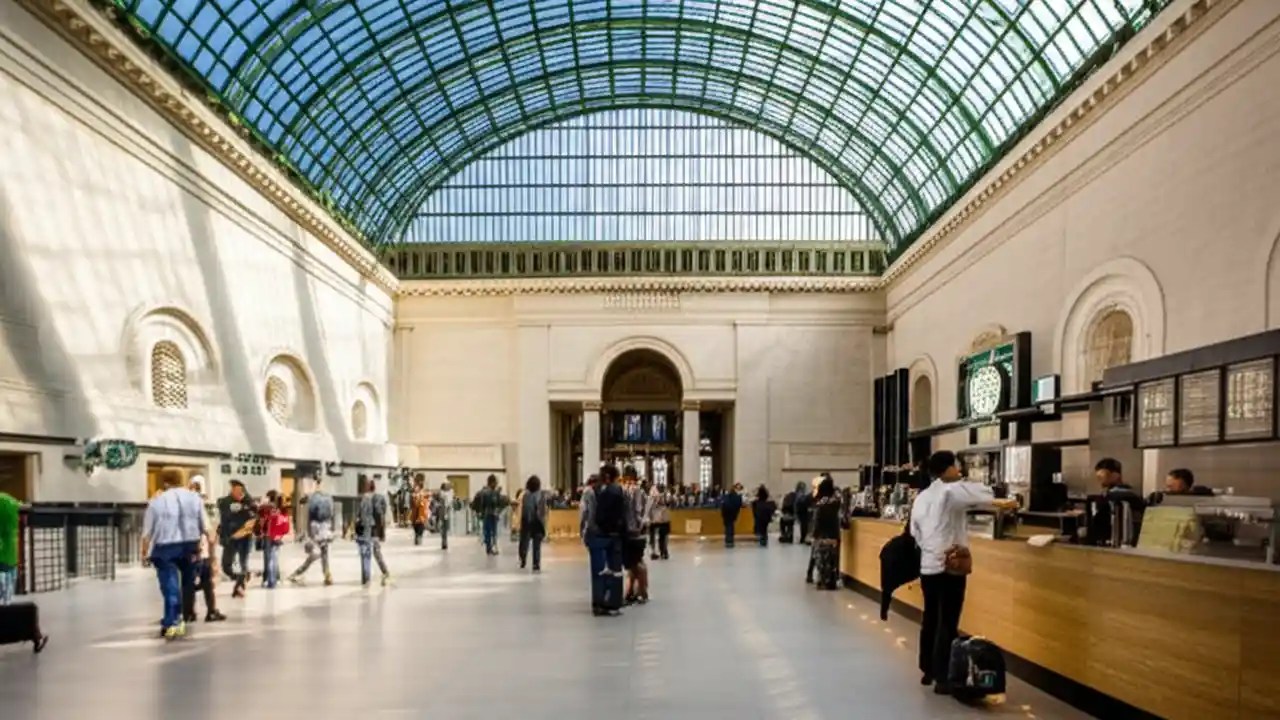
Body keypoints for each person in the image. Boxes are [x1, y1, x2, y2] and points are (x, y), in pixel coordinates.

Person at [910, 451, 996, 694]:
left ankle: (927, 668)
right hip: (950, 565)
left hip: (928, 565)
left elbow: (915, 530)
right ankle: (942, 676)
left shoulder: (922, 497)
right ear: (947, 469)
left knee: (930, 617)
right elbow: (987, 495)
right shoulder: (951, 491)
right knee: (948, 620)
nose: (959, 471)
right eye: (957, 467)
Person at [142, 467, 206, 640]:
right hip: (190, 546)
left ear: (164, 481)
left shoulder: (156, 501)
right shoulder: (195, 498)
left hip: (165, 547)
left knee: (170, 585)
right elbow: (205, 526)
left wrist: (144, 553)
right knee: (187, 584)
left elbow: (147, 531)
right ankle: (185, 615)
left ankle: (172, 622)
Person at [0, 490, 48, 652]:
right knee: (4, 605)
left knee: (4, 605)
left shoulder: (7, 503)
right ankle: (33, 633)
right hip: (5, 562)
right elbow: (25, 509)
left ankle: (34, 633)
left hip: (7, 560)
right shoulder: (8, 502)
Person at [582, 468, 627, 616]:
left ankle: (599, 602)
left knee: (598, 571)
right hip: (610, 535)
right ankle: (610, 601)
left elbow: (585, 514)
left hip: (596, 535)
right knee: (612, 570)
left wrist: (583, 532)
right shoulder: (615, 491)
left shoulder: (591, 491)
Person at [183, 477, 226, 623]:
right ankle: (211, 611)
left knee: (188, 581)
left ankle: (188, 612)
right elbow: (211, 528)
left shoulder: (185, 503)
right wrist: (213, 552)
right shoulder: (206, 505)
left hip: (189, 547)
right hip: (203, 548)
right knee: (207, 581)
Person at [289, 476, 335, 585]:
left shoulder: (312, 497)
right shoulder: (328, 497)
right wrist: (331, 529)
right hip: (325, 528)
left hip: (316, 528)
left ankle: (298, 573)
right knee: (323, 553)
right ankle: (327, 574)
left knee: (315, 554)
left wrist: (309, 532)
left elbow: (307, 511)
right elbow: (332, 514)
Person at [217, 480, 256, 598]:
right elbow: (225, 516)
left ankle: (240, 587)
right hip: (230, 537)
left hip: (245, 537)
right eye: (236, 490)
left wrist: (245, 502)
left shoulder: (248, 502)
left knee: (243, 563)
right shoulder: (224, 501)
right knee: (226, 565)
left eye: (241, 491)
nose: (238, 493)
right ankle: (241, 578)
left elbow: (254, 514)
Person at [355, 476, 391, 587]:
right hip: (374, 529)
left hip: (366, 529)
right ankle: (384, 572)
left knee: (365, 552)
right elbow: (382, 515)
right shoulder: (379, 498)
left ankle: (366, 577)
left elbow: (359, 516)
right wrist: (382, 532)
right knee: (375, 552)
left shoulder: (363, 499)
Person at [621, 467, 650, 605]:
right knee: (634, 563)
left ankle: (642, 591)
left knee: (635, 564)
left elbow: (636, 513)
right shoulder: (641, 492)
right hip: (639, 533)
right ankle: (632, 590)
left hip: (632, 533)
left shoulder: (630, 491)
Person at [809, 478, 843, 589]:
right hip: (834, 535)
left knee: (821, 559)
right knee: (833, 559)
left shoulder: (820, 503)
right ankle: (832, 580)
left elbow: (817, 520)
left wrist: (814, 534)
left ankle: (822, 580)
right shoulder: (835, 502)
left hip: (822, 535)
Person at [518, 475, 549, 572]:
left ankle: (523, 558)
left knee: (524, 542)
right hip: (538, 522)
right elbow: (543, 510)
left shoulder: (525, 495)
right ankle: (536, 563)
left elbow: (524, 509)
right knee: (537, 544)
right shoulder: (541, 495)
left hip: (527, 521)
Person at [260, 492, 290, 589]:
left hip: (268, 535)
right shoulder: (282, 508)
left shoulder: (266, 507)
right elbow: (286, 522)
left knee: (269, 558)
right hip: (278, 535)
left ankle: (270, 580)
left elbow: (261, 520)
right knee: (275, 557)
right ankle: (275, 578)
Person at [472, 475, 504, 555]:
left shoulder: (493, 492)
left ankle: (490, 547)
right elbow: (497, 504)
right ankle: (490, 547)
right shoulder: (488, 492)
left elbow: (498, 503)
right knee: (491, 532)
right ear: (491, 482)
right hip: (490, 514)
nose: (496, 483)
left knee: (490, 532)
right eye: (495, 482)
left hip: (490, 514)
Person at [648, 484, 672, 561]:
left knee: (659, 535)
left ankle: (659, 551)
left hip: (658, 518)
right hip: (661, 518)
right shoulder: (665, 494)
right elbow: (669, 502)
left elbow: (648, 507)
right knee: (662, 535)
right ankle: (662, 551)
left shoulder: (655, 494)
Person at [720, 483, 744, 547]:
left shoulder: (726, 496)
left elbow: (723, 505)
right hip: (733, 513)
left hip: (726, 513)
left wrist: (723, 513)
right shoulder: (738, 497)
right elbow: (739, 505)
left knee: (728, 526)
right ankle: (730, 540)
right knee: (731, 526)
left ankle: (728, 539)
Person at [435, 481, 454, 550]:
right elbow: (445, 504)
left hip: (445, 513)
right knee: (444, 528)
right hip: (443, 513)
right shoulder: (443, 494)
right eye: (447, 486)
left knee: (445, 529)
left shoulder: (448, 493)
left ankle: (444, 542)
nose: (448, 487)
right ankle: (444, 542)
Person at [411, 475, 430, 546]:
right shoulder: (415, 494)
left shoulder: (422, 493)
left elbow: (427, 498)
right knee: (416, 526)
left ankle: (418, 537)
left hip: (421, 514)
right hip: (416, 514)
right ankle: (417, 537)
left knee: (420, 526)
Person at [795, 479, 814, 544]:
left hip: (801, 511)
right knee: (805, 525)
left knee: (803, 525)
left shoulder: (798, 495)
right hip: (803, 511)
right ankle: (804, 538)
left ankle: (803, 538)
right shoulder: (801, 495)